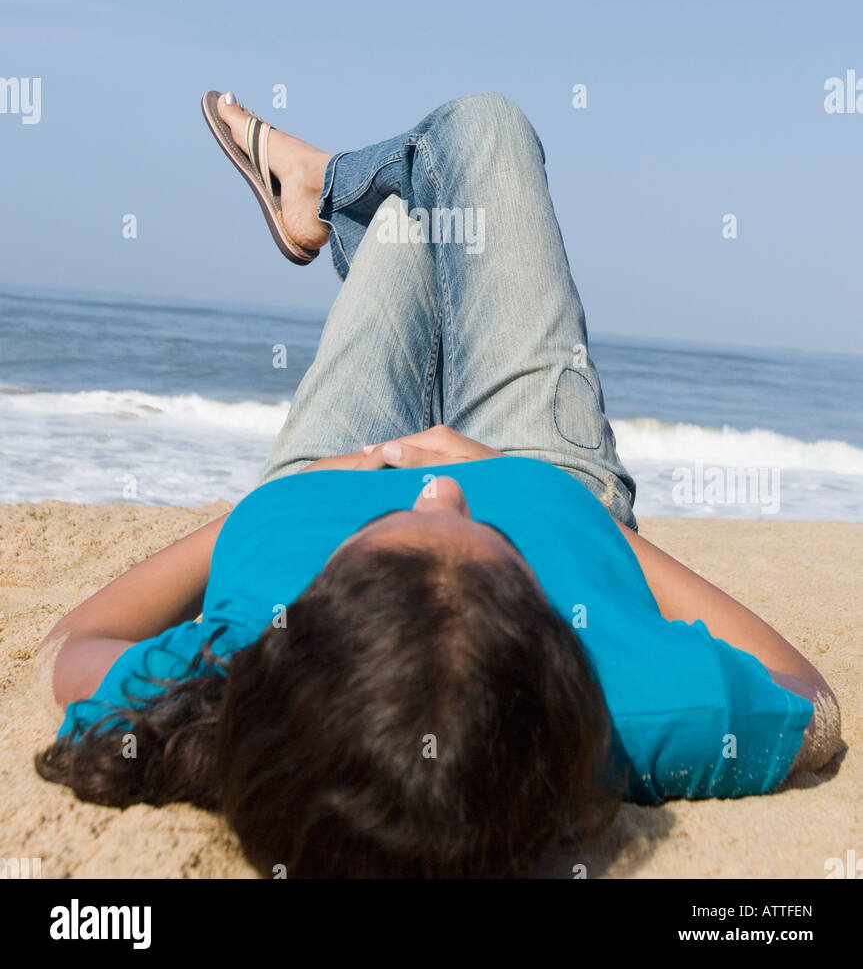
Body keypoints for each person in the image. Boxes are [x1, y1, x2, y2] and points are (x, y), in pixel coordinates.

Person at [35, 92, 840, 879]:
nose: (436, 490)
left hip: (317, 476)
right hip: (541, 471)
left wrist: (276, 504)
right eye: (495, 547)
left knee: (405, 223)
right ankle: (325, 185)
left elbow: (66, 650)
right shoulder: (627, 710)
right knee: (484, 128)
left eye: (371, 543)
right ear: (556, 651)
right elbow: (810, 701)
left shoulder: (229, 682)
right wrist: (571, 519)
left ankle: (323, 192)